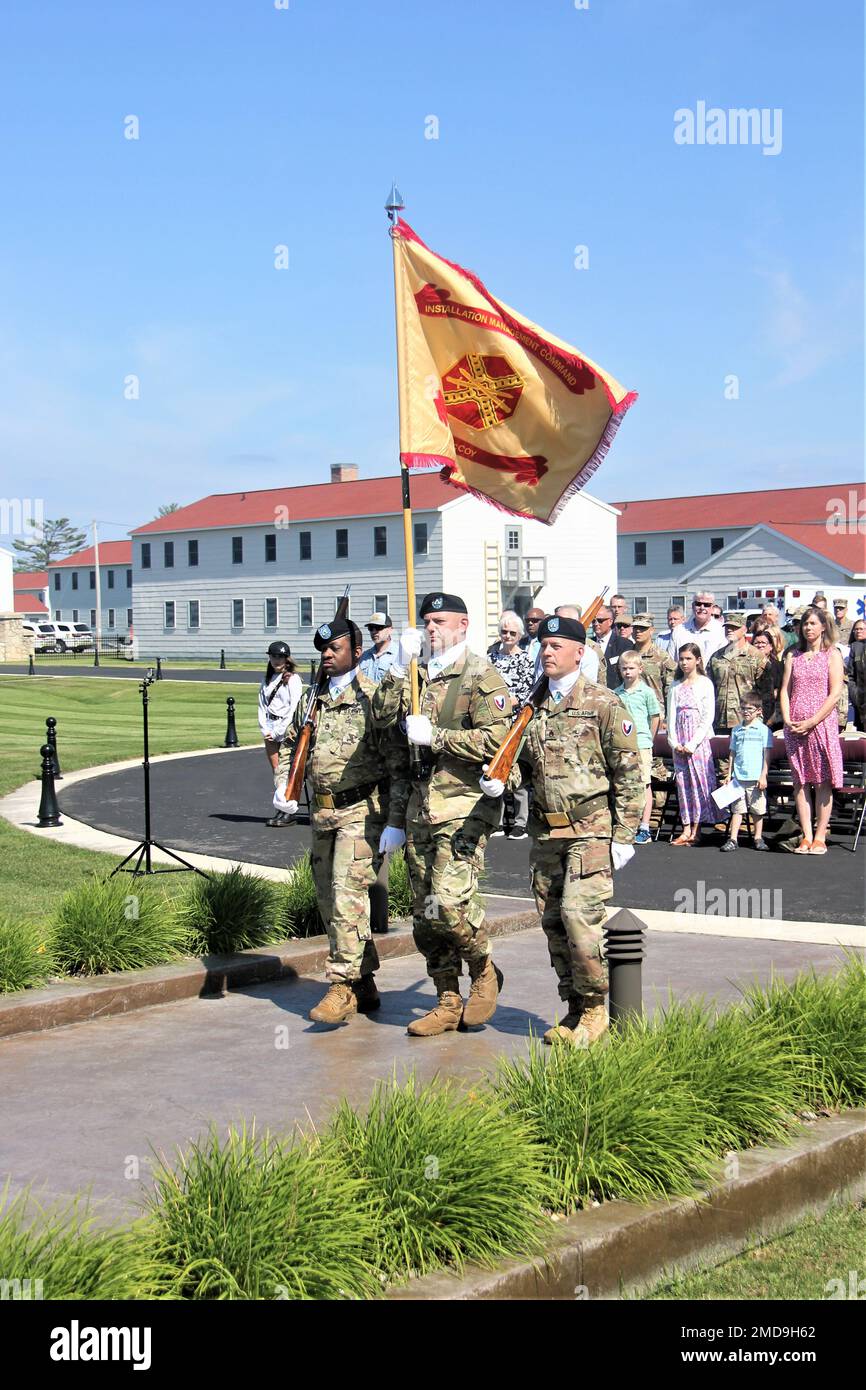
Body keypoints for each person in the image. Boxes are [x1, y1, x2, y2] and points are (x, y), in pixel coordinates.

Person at [479, 614, 642, 1046]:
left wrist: (624, 835)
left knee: (578, 916)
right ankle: (573, 1006)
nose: (547, 653)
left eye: (556, 646)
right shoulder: (531, 708)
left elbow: (628, 772)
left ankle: (594, 1009)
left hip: (590, 830)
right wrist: (501, 780)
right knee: (553, 921)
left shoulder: (603, 703)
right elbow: (523, 767)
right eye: (544, 646)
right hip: (546, 833)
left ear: (579, 652)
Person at [372, 592, 512, 1036]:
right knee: (426, 914)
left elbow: (498, 740)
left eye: (440, 621)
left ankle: (484, 968)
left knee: (450, 904)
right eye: (426, 621)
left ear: (463, 625)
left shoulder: (480, 676)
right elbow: (384, 725)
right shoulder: (416, 674)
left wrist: (438, 737)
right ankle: (447, 999)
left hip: (462, 808)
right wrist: (399, 666)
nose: (431, 628)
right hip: (418, 809)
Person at [273, 619, 409, 1023]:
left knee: (347, 894)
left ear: (355, 648)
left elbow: (397, 764)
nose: (327, 655)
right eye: (323, 650)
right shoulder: (311, 699)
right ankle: (364, 980)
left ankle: (341, 986)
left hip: (361, 814)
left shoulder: (372, 698)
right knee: (330, 901)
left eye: (335, 648)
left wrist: (396, 821)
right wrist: (283, 786)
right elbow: (289, 744)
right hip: (321, 814)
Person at [780, 605, 845, 854]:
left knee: (822, 781)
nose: (808, 628)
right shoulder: (793, 655)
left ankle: (820, 836)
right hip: (795, 726)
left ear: (823, 627)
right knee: (801, 781)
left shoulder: (832, 655)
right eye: (805, 624)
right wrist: (787, 718)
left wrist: (813, 721)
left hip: (821, 725)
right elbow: (786, 690)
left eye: (813, 623)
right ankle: (806, 835)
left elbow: (835, 692)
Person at [487, 610, 534, 838]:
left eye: (512, 633)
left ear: (519, 635)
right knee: (494, 769)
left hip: (515, 721)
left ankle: (520, 821)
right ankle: (497, 820)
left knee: (516, 770)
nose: (507, 636)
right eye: (504, 632)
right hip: (494, 721)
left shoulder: (525, 659)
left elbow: (527, 693)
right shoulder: (492, 657)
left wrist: (506, 703)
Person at [708, 612, 772, 777]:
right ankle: (727, 803)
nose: (730, 630)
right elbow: (709, 689)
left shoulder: (756, 657)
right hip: (721, 722)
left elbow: (767, 693)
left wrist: (761, 719)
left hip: (747, 722)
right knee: (724, 771)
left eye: (734, 628)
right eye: (727, 627)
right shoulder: (716, 657)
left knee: (747, 768)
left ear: (744, 629)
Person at [667, 642, 717, 845]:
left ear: (697, 660)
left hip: (697, 739)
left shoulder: (704, 683)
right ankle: (685, 828)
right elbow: (670, 715)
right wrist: (674, 741)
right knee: (683, 783)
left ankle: (697, 828)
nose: (685, 663)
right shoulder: (675, 685)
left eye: (689, 658)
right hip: (680, 737)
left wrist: (693, 743)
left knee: (698, 782)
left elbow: (707, 717)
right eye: (682, 658)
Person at [615, 651, 660, 844]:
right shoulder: (616, 693)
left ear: (640, 669)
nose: (627, 672)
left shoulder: (647, 692)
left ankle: (644, 827)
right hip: (623, 744)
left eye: (631, 668)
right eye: (624, 668)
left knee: (644, 784)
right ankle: (626, 825)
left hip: (642, 744)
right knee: (624, 785)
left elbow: (655, 716)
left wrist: (649, 738)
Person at [720, 691, 773, 852]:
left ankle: (758, 838)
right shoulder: (736, 730)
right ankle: (733, 839)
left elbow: (767, 754)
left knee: (757, 810)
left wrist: (763, 775)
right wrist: (729, 775)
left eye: (750, 709)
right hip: (738, 777)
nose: (745, 712)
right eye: (743, 708)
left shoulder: (763, 730)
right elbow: (732, 753)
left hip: (756, 777)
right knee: (737, 810)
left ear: (758, 710)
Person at [259, 641, 303, 828]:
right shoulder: (268, 679)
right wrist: (265, 729)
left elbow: (294, 708)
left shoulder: (292, 679)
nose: (277, 661)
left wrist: (278, 730)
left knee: (284, 771)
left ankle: (288, 809)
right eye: (274, 656)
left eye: (280, 657)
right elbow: (262, 705)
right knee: (276, 771)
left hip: (286, 728)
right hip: (270, 725)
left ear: (287, 659)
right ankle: (282, 805)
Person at [630, 613, 676, 712]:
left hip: (654, 712)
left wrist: (667, 717)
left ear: (651, 630)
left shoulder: (662, 657)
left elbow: (670, 689)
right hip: (632, 710)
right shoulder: (627, 655)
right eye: (635, 627)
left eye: (642, 628)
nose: (638, 631)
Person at [666, 593, 726, 664]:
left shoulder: (722, 631)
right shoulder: (679, 631)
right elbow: (670, 663)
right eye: (698, 604)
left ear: (712, 608)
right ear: (692, 606)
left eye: (706, 605)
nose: (702, 608)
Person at [750, 627, 784, 728]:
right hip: (751, 711)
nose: (760, 645)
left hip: (772, 715)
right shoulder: (747, 665)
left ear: (771, 646)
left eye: (763, 643)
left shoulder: (779, 666)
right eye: (756, 643)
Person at [594, 605, 634, 688]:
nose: (596, 624)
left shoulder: (624, 644)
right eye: (593, 621)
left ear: (610, 621)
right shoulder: (587, 644)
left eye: (600, 620)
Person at [359, 612, 397, 683]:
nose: (374, 631)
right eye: (371, 628)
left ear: (390, 630)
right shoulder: (364, 657)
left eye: (378, 627)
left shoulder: (399, 656)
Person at [846, 618, 866, 730]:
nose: (858, 631)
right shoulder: (855, 647)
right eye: (856, 629)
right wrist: (855, 695)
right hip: (861, 701)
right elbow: (851, 675)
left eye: (861, 629)